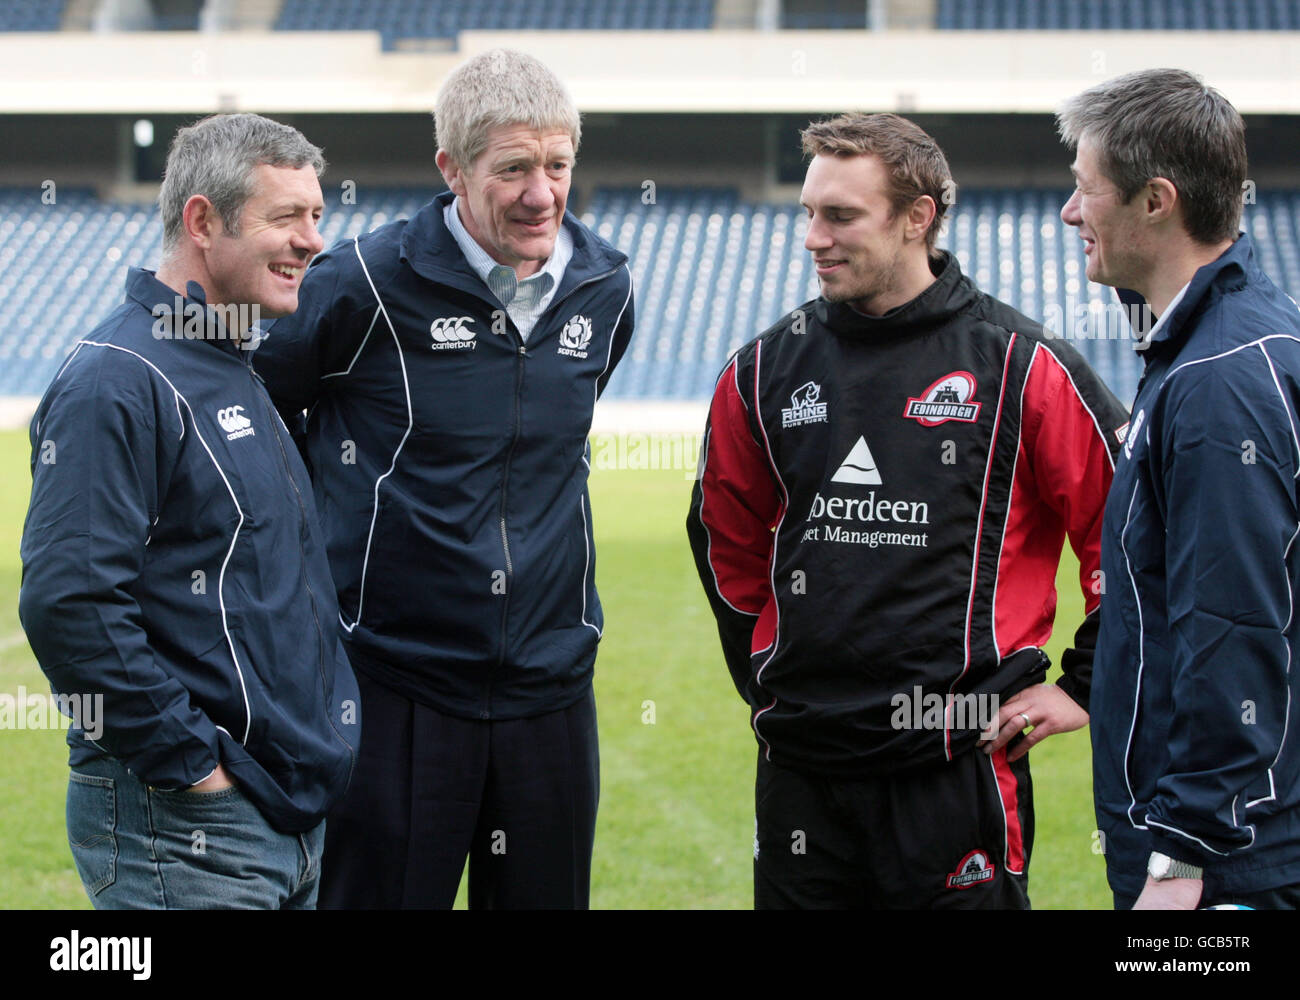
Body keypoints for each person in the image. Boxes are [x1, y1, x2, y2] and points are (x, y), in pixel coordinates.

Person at [687, 112, 1128, 909]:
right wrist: (768, 675)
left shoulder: (1021, 365)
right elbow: (726, 542)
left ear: (917, 217)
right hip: (802, 767)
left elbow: (1129, 530)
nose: (814, 237)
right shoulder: (762, 371)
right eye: (808, 213)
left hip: (955, 764)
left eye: (842, 216)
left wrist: (1089, 685)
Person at [252, 48, 634, 909]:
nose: (542, 193)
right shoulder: (362, 284)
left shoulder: (606, 285)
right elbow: (260, 415)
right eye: (513, 169)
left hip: (551, 688)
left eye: (558, 165)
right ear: (452, 169)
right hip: (395, 687)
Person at [19, 113, 359, 909]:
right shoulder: (118, 380)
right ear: (203, 220)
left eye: (317, 216)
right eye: (286, 217)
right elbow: (69, 605)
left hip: (284, 812)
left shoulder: (235, 362)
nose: (312, 241)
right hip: (189, 826)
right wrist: (194, 769)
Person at [1059, 68, 1300, 910]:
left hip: (1228, 865)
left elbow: (1231, 623)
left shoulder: (1217, 381)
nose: (1068, 212)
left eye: (1085, 190)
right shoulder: (1221, 346)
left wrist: (1184, 860)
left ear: (1155, 201)